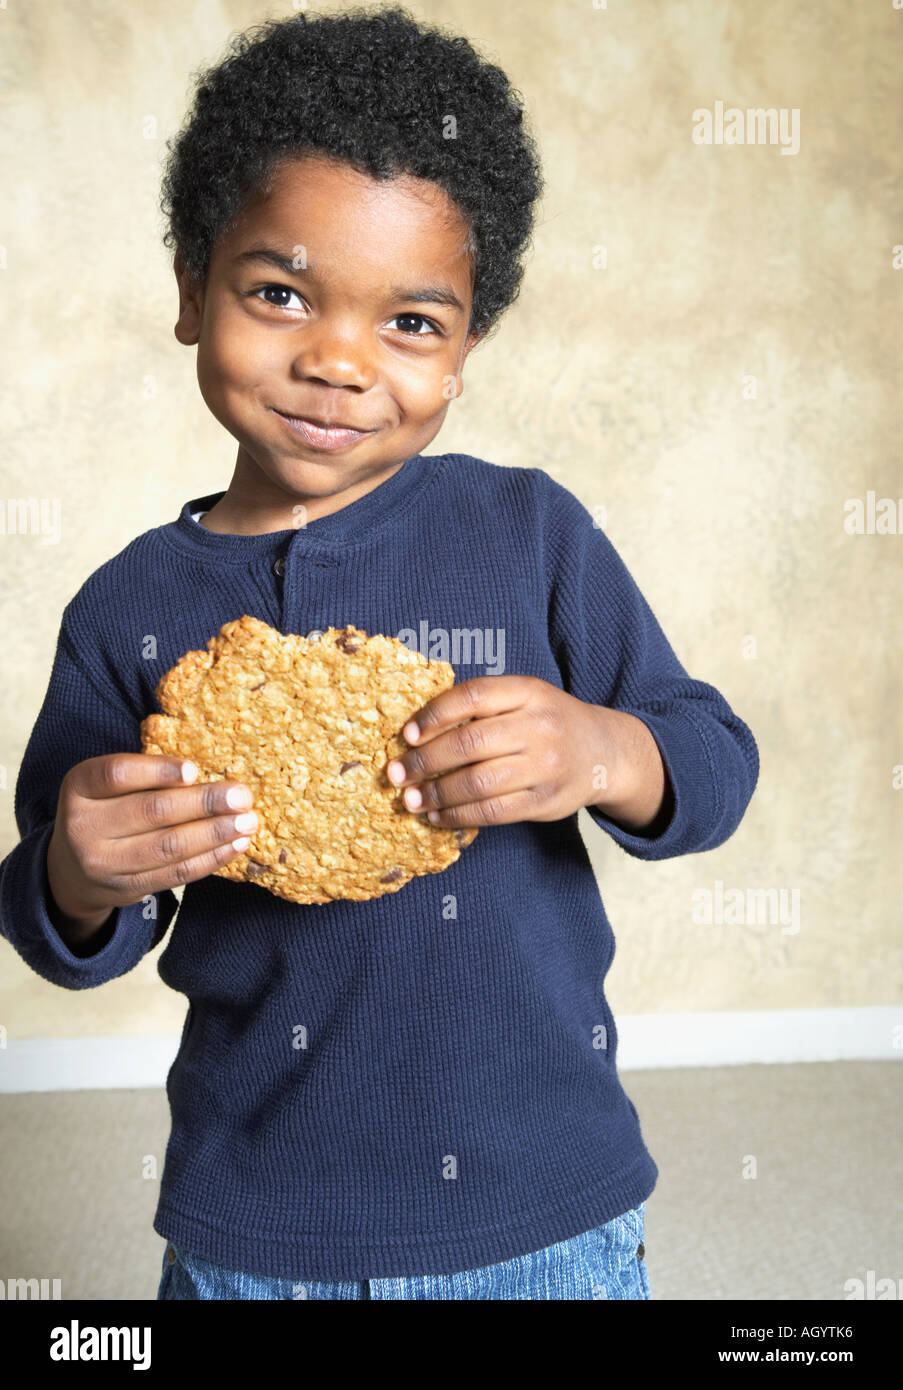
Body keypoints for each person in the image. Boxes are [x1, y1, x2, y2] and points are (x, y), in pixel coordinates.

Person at [0, 6, 759, 1300]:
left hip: (541, 1214)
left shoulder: (527, 533)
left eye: (411, 323)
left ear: (468, 347)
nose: (339, 361)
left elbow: (714, 761)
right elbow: (58, 907)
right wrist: (80, 869)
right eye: (280, 293)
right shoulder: (131, 605)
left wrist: (602, 746)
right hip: (254, 1229)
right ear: (193, 286)